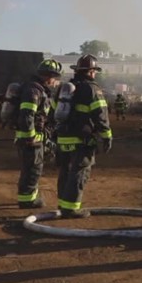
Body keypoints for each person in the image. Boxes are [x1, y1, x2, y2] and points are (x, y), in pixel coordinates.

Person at [54, 54, 113, 218]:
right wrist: (107, 136)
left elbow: (53, 111)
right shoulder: (92, 89)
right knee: (80, 172)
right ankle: (71, 208)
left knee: (65, 170)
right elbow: (101, 115)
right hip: (82, 139)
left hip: (63, 137)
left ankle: (63, 203)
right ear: (92, 71)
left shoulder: (64, 88)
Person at [13, 58, 62, 209]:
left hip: (32, 137)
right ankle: (27, 201)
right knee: (32, 169)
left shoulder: (38, 89)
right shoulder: (34, 90)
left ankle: (29, 196)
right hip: (30, 139)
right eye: (55, 78)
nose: (56, 82)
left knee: (32, 168)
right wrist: (30, 136)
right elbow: (27, 114)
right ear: (49, 76)